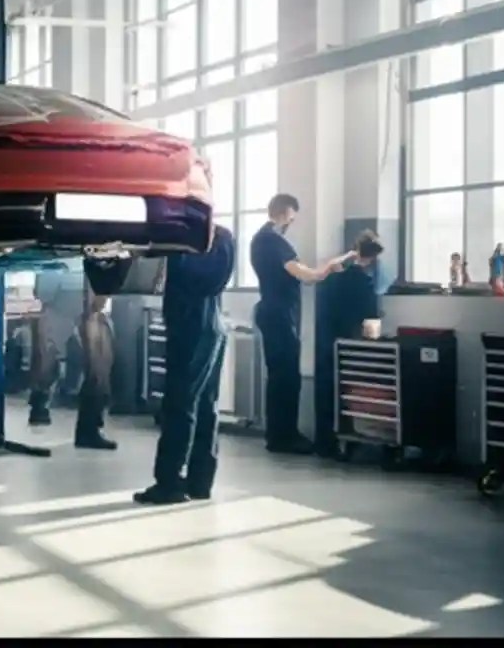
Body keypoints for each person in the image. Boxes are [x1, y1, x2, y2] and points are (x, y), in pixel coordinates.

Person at [135, 225, 236, 505]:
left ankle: (169, 483)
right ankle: (199, 482)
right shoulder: (221, 238)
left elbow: (204, 281)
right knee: (205, 405)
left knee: (180, 403)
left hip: (193, 325)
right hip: (210, 324)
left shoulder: (199, 239)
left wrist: (176, 250)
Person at [250, 193, 355, 455]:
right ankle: (284, 437)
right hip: (280, 315)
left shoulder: (258, 240)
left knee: (279, 376)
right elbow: (306, 276)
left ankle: (279, 434)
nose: (291, 223)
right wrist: (329, 267)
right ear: (285, 213)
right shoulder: (274, 242)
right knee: (287, 377)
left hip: (272, 312)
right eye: (292, 217)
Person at [314, 230, 384, 458]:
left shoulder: (331, 279)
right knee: (346, 392)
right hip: (350, 343)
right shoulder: (365, 282)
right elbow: (370, 320)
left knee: (325, 390)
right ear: (373, 258)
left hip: (325, 340)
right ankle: (349, 439)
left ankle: (324, 442)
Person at [75, 290, 118, 450]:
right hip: (91, 315)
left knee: (101, 375)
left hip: (97, 315)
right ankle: (89, 431)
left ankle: (90, 430)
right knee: (96, 376)